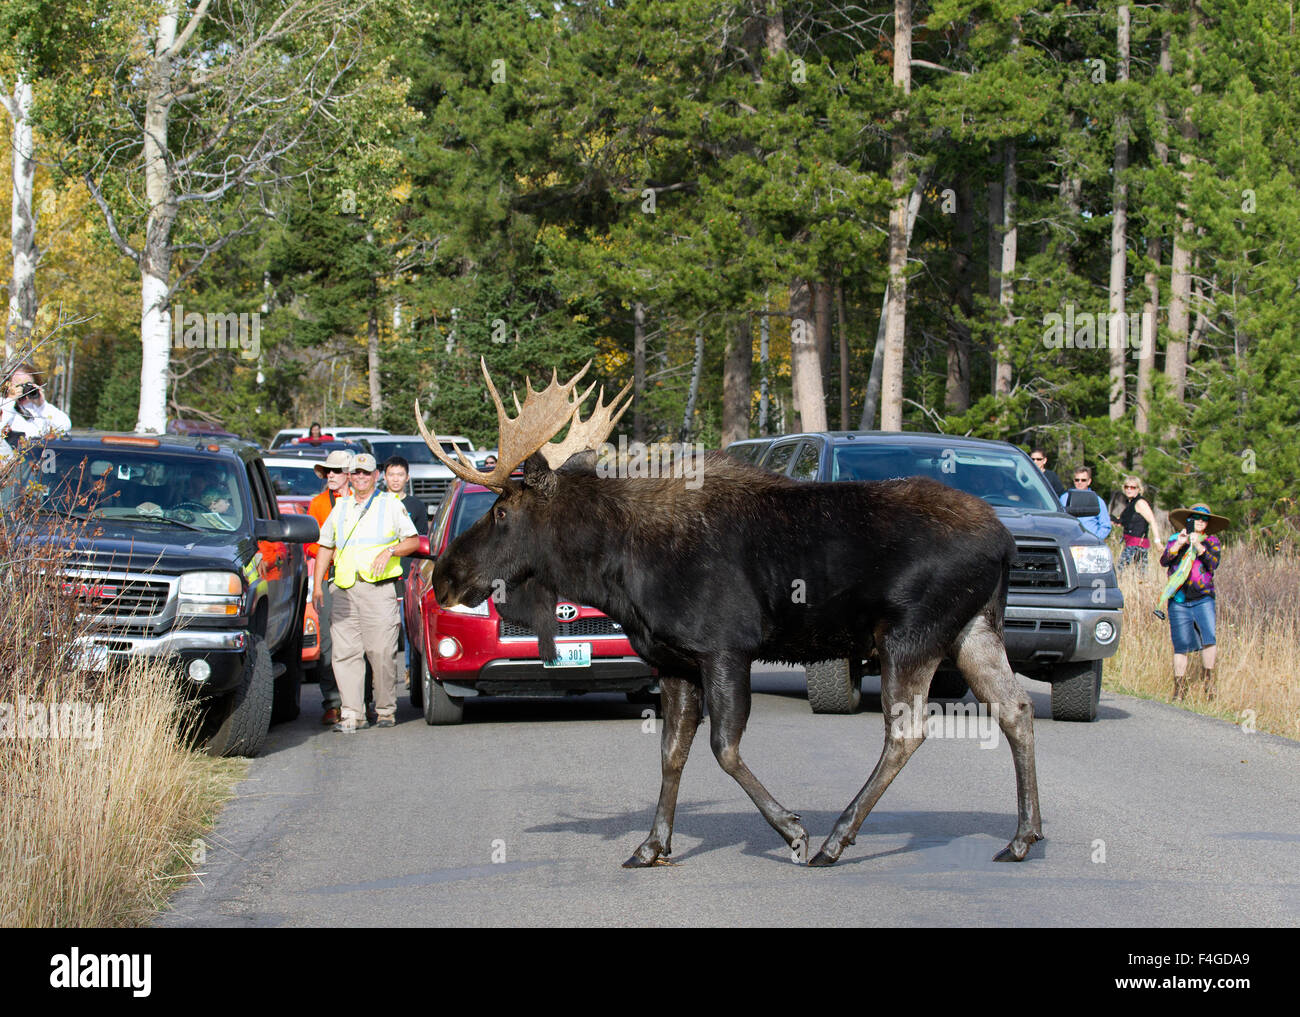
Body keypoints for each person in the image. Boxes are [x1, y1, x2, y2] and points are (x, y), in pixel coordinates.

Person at [312, 453, 418, 732]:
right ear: (351, 476)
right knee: (345, 653)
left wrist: (390, 550)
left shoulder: (390, 505)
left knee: (382, 651)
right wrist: (317, 586)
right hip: (345, 588)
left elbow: (413, 540)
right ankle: (352, 713)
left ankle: (385, 709)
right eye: (356, 473)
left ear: (375, 476)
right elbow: (325, 546)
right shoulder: (341, 507)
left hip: (378, 589)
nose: (360, 477)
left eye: (365, 473)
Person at [1157, 503, 1227, 702]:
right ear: (1189, 520)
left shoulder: (1212, 541)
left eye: (1204, 519)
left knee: (1209, 638)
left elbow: (1213, 563)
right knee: (1181, 645)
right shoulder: (1175, 539)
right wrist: (1180, 543)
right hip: (1178, 599)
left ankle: (1209, 684)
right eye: (1196, 518)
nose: (1200, 521)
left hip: (1203, 598)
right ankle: (1179, 690)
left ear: (1208, 524)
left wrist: (1197, 545)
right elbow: (1164, 561)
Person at [307, 449, 354, 725]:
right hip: (328, 577)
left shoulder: (365, 502)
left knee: (360, 643)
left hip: (359, 579)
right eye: (328, 471)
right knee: (328, 643)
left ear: (350, 475)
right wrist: (331, 554)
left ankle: (361, 700)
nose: (331, 476)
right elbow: (310, 542)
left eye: (336, 471)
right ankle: (332, 703)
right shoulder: (318, 504)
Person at [1, 363, 71, 441]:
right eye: (19, 385)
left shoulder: (36, 408)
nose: (24, 389)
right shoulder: (3, 405)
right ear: (7, 385)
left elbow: (65, 426)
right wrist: (11, 400)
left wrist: (42, 405)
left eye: (28, 385)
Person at [1113, 475, 1161, 570]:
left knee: (1121, 570)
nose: (1129, 489)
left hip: (1137, 544)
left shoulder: (1140, 502)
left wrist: (1157, 541)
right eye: (1127, 487)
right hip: (1131, 542)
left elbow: (1152, 520)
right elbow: (1122, 521)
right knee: (1139, 573)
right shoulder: (1130, 503)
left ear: (1139, 489)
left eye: (1133, 487)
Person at [1059, 465, 1111, 541]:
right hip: (1068, 541)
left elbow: (1105, 526)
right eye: (1077, 480)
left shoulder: (1097, 500)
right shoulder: (1064, 498)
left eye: (1083, 480)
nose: (1080, 482)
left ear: (1089, 481)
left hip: (1089, 543)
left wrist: (1095, 539)